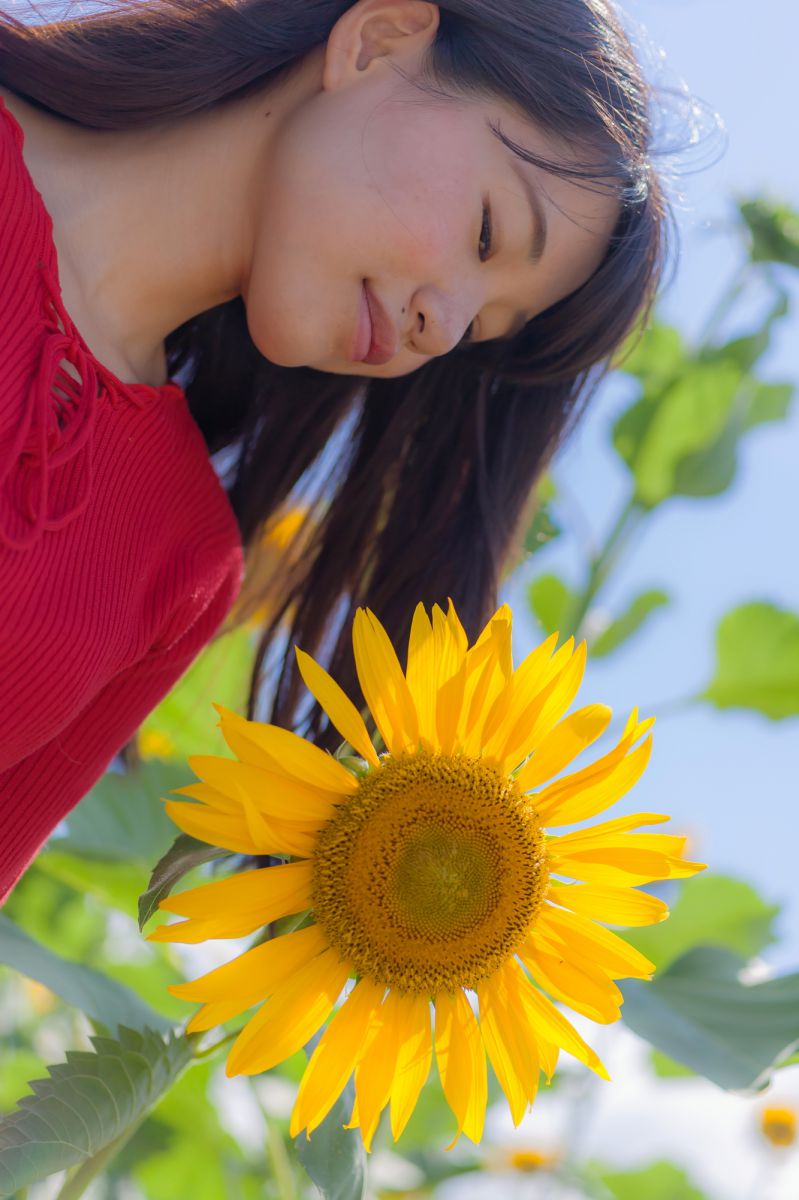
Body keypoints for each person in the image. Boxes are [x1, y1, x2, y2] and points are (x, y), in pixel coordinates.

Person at [0, 0, 668, 902]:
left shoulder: (182, 562)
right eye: (485, 231)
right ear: (377, 41)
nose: (444, 327)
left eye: (482, 328)